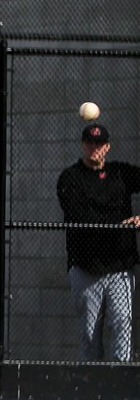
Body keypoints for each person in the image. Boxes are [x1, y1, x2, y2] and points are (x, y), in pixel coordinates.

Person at [55, 122, 140, 362]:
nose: (95, 148)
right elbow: (79, 215)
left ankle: (117, 394)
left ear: (107, 147)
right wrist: (119, 223)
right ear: (83, 145)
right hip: (87, 267)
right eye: (90, 143)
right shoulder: (70, 177)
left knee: (122, 327)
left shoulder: (120, 173)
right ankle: (92, 394)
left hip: (120, 268)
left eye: (100, 144)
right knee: (90, 334)